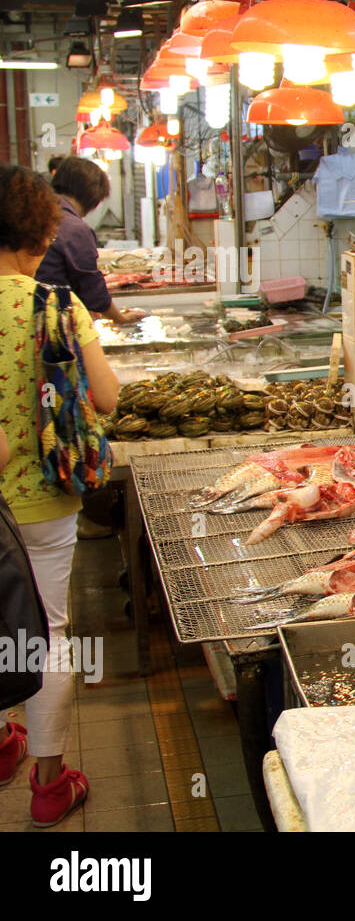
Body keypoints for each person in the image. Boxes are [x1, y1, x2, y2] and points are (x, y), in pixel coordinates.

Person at [0, 164, 120, 827]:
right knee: (44, 632)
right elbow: (104, 397)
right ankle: (49, 783)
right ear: (42, 231)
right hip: (44, 503)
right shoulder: (54, 306)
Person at [38, 157, 145, 326]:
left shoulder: (39, 211)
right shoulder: (74, 228)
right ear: (93, 195)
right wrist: (119, 318)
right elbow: (91, 288)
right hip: (48, 320)